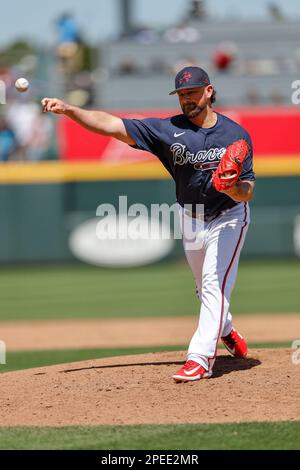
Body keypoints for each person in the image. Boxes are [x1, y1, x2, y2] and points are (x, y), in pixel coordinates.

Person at [41, 66, 255, 382]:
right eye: (182, 95)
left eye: (192, 93)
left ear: (209, 91)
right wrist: (70, 110)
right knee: (203, 286)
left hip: (229, 216)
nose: (187, 100)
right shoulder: (166, 131)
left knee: (213, 282)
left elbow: (247, 191)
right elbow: (111, 125)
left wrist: (233, 188)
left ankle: (199, 359)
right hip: (191, 216)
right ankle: (224, 328)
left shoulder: (235, 134)